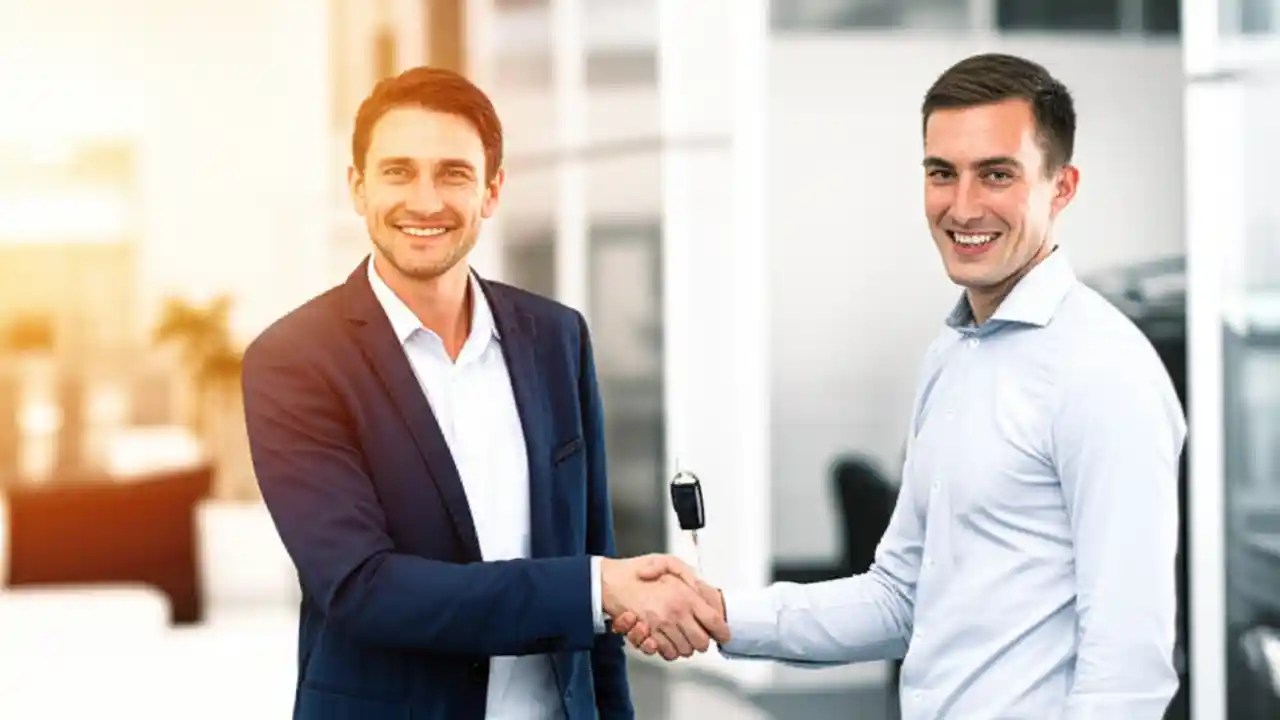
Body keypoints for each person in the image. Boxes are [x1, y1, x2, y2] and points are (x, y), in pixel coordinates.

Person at [615, 53, 1186, 719]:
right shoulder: (955, 355)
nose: (962, 206)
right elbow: (899, 597)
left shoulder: (1104, 371)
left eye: (996, 174)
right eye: (942, 173)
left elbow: (1128, 673)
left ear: (1061, 188)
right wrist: (718, 611)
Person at [241, 66, 727, 720]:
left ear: (492, 191)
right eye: (397, 172)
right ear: (357, 187)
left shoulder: (557, 338)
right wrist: (595, 589)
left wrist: (605, 614)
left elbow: (594, 560)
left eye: (453, 174)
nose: (424, 201)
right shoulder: (295, 360)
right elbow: (361, 588)